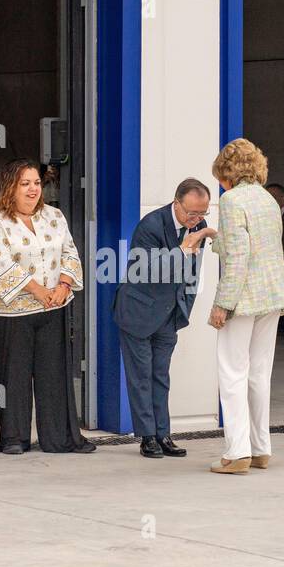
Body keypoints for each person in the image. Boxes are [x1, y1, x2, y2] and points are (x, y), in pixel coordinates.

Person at [0, 158, 94, 455]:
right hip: (10, 311)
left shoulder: (53, 215)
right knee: (11, 375)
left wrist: (64, 285)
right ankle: (13, 437)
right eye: (24, 184)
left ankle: (59, 438)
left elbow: (70, 251)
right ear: (10, 187)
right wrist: (39, 290)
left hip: (53, 306)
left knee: (53, 374)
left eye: (37, 183)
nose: (32, 190)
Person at [113, 178, 215, 459]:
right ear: (176, 203)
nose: (196, 219)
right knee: (141, 377)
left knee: (161, 376)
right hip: (138, 311)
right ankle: (147, 437)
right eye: (191, 213)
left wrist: (183, 310)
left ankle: (163, 433)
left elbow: (193, 275)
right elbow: (146, 269)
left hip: (168, 314)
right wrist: (184, 248)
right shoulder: (151, 225)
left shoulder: (197, 228)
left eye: (202, 213)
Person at [207, 139, 284, 475]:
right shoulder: (268, 199)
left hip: (243, 297)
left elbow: (239, 258)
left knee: (232, 373)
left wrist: (221, 304)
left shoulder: (231, 200)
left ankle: (236, 452)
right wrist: (216, 239)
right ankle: (260, 448)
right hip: (272, 293)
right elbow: (256, 246)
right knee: (259, 373)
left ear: (228, 172)